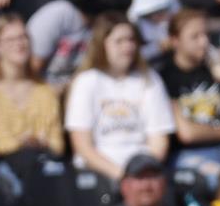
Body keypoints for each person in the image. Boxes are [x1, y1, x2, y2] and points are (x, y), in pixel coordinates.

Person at [65, 14, 175, 182]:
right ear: (102, 45)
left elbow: (159, 141)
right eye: (119, 41)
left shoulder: (150, 79)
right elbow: (82, 146)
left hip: (142, 171)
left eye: (131, 40)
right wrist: (121, 176)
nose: (127, 47)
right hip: (98, 172)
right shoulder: (86, 82)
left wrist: (141, 173)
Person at [156, 8, 220, 191]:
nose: (204, 42)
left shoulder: (215, 69)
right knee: (218, 180)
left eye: (206, 35)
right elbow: (187, 133)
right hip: (186, 155)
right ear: (175, 40)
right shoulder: (165, 76)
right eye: (195, 37)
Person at [0, 13, 64, 160]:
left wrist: (41, 143)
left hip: (39, 162)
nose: (19, 43)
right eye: (10, 39)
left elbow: (58, 144)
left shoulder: (44, 90)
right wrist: (17, 144)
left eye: (23, 37)